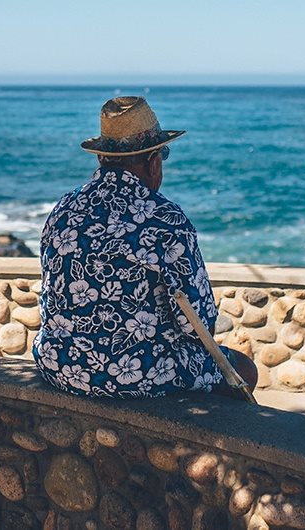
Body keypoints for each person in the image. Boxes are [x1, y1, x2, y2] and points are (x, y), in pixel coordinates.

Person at [32, 96, 258, 399]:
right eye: (163, 154)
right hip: (136, 377)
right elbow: (198, 323)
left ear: (102, 158)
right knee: (244, 369)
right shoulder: (165, 219)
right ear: (153, 161)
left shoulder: (64, 208)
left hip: (61, 366)